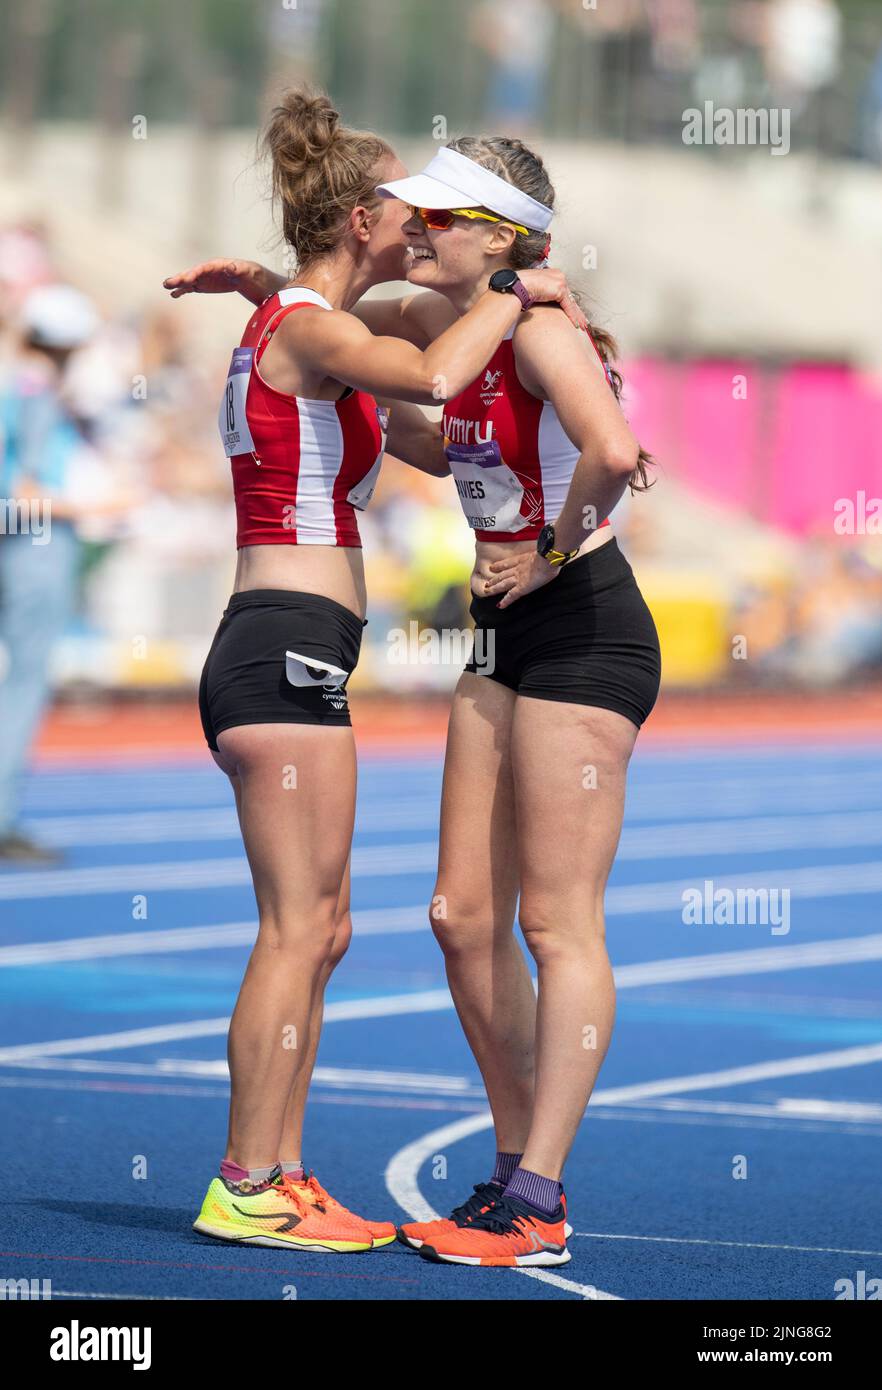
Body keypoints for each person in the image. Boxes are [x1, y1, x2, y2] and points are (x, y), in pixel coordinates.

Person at [171, 133, 660, 1269]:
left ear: (498, 236)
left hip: (581, 620)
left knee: (553, 921)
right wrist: (268, 294)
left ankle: (534, 1191)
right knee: (458, 917)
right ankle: (504, 1168)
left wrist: (546, 551)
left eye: (441, 217)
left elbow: (614, 448)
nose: (416, 227)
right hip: (494, 638)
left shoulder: (531, 323)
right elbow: (380, 388)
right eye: (414, 214)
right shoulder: (460, 330)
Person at [0, 285, 100, 862]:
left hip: (21, 544)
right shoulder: (36, 389)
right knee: (22, 684)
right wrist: (102, 509)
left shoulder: (17, 381)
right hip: (34, 548)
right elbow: (25, 493)